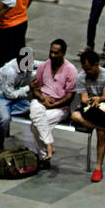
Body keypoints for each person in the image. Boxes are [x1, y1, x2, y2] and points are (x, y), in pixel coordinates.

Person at [69, 48, 105, 182]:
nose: (87, 72)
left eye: (89, 69)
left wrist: (98, 99)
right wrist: (91, 101)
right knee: (75, 116)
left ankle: (98, 167)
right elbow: (83, 98)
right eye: (85, 69)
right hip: (88, 107)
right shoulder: (81, 77)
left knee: (100, 135)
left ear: (96, 64)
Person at [28, 39, 77, 167]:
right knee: (35, 110)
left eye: (56, 53)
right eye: (51, 52)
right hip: (42, 101)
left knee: (35, 125)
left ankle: (44, 156)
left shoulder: (71, 70)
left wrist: (53, 105)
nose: (52, 55)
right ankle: (48, 146)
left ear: (63, 53)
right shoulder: (44, 66)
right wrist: (43, 99)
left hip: (60, 107)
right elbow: (35, 88)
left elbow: (70, 96)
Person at [0, 54, 35, 129]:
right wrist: (28, 87)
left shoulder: (25, 64)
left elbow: (40, 64)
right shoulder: (10, 72)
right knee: (5, 118)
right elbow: (9, 95)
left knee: (31, 107)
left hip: (11, 95)